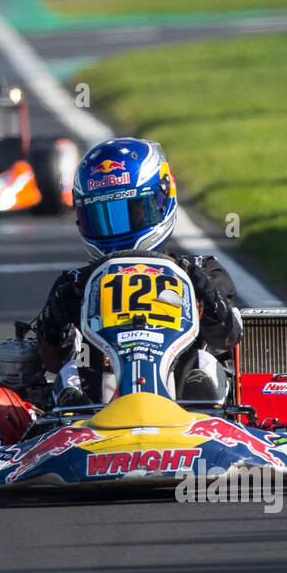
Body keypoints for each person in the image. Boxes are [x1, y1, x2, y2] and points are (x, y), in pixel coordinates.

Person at [35, 137, 243, 405]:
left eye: (131, 213)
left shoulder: (200, 271)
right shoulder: (77, 285)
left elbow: (229, 337)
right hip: (99, 408)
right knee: (70, 373)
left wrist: (204, 292)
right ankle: (74, 417)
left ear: (161, 199)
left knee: (204, 362)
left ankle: (203, 408)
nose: (116, 230)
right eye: (102, 218)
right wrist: (53, 319)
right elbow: (52, 359)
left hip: (182, 400)